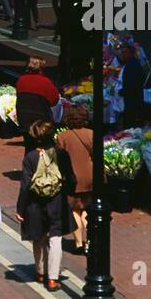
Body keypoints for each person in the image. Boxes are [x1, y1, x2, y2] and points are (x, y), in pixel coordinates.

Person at [16, 118, 71, 292]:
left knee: (38, 237)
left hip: (35, 202)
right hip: (56, 201)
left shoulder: (30, 157)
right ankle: (53, 278)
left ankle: (40, 272)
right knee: (55, 238)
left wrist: (20, 207)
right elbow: (70, 177)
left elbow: (25, 185)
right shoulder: (61, 154)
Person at [57, 102, 94, 254]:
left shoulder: (62, 136)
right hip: (90, 176)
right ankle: (90, 242)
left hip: (72, 178)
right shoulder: (92, 134)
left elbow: (59, 158)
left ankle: (79, 243)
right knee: (87, 210)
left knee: (74, 210)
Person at [15, 56, 62, 149]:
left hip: (24, 119)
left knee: (29, 146)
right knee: (46, 146)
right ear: (41, 68)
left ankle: (29, 161)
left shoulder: (21, 80)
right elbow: (54, 100)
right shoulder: (46, 82)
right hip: (41, 121)